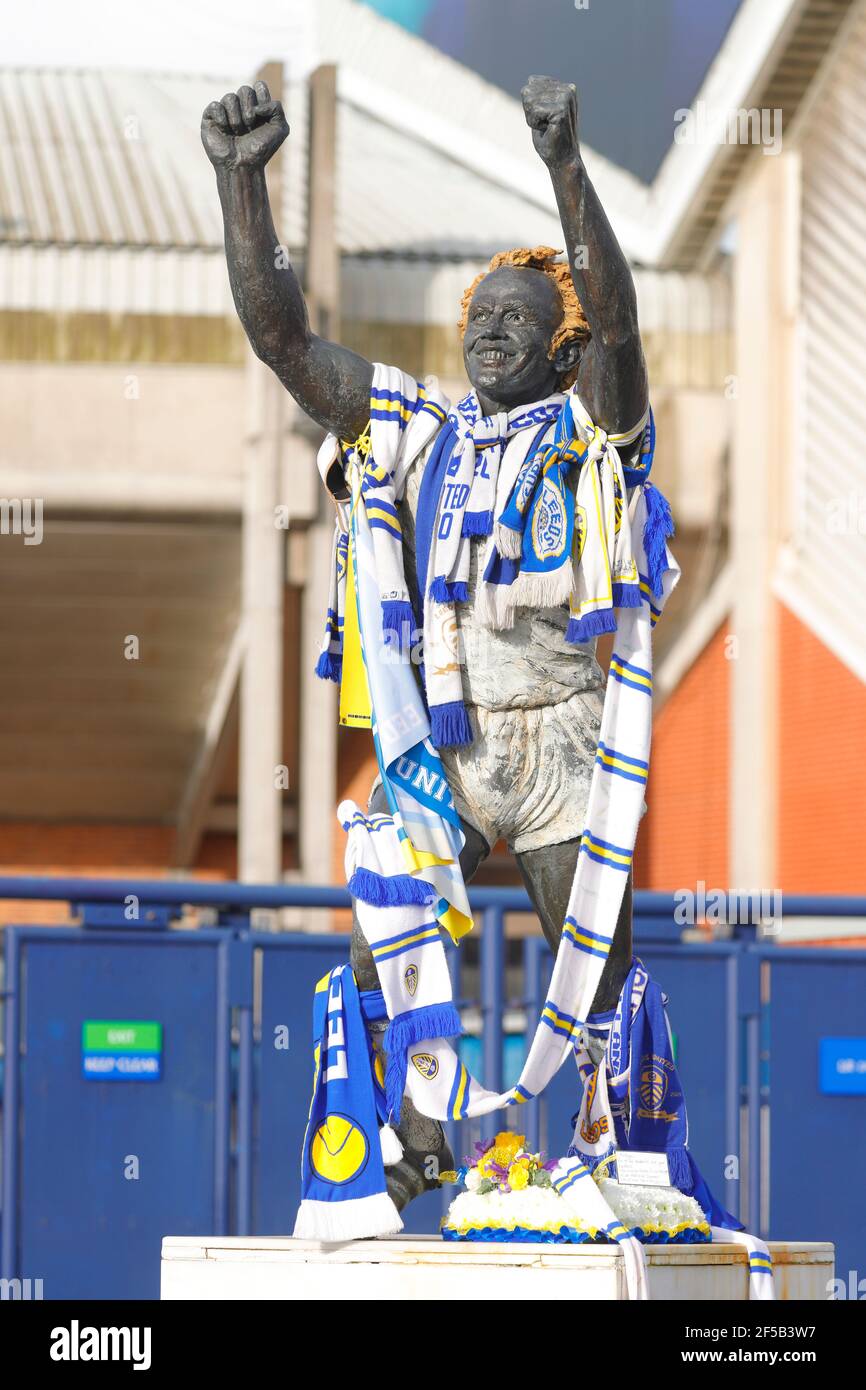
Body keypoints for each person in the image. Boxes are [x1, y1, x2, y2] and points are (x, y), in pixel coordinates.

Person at [203, 74, 651, 1210]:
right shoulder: (417, 431)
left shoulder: (587, 428)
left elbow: (617, 314)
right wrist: (242, 185)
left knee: (593, 969)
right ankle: (407, 1145)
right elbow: (283, 339)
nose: (492, 331)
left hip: (558, 738)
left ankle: (620, 1162)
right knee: (381, 952)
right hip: (440, 742)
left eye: (520, 320)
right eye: (478, 319)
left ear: (563, 349)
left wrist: (562, 170)